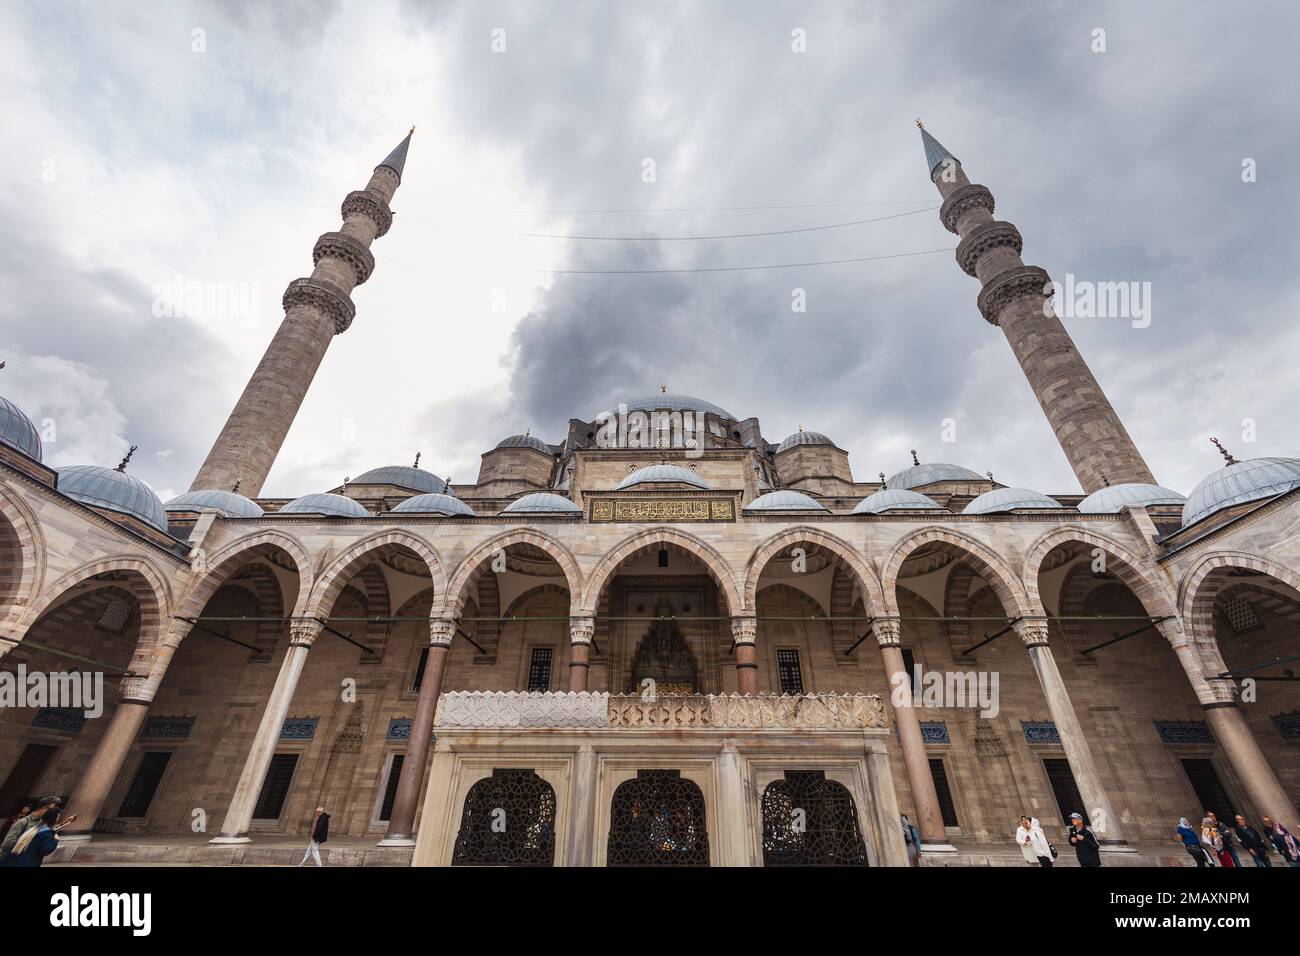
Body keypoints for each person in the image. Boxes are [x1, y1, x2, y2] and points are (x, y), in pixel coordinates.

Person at [0, 796, 66, 864]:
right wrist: (28, 844)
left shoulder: (44, 825)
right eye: (52, 810)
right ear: (44, 808)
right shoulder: (23, 822)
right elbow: (7, 843)